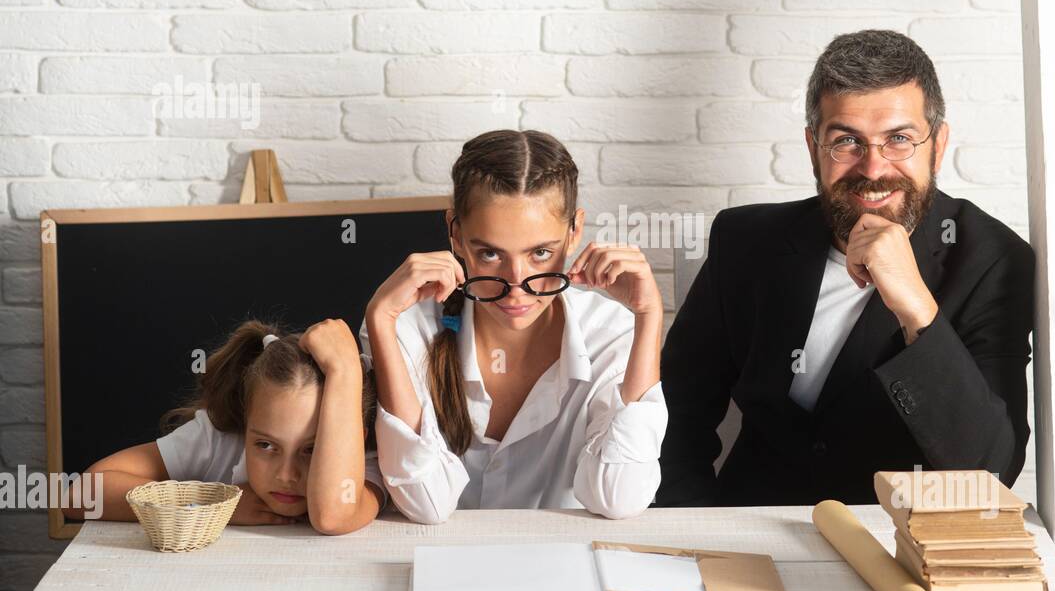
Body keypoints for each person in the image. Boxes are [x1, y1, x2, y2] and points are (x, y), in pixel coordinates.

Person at [657, 29, 1035, 506]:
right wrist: (692, 528)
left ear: (937, 145)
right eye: (846, 142)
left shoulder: (993, 260)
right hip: (751, 531)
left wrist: (917, 308)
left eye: (898, 139)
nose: (873, 168)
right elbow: (675, 416)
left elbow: (991, 468)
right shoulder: (744, 242)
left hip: (899, 546)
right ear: (814, 146)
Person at [361, 129, 666, 524]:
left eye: (540, 253)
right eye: (490, 254)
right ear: (455, 232)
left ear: (575, 231)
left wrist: (649, 316)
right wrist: (381, 320)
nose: (517, 285)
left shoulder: (611, 335)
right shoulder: (407, 328)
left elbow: (618, 497)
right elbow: (425, 503)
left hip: (560, 563)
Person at [65, 318, 386, 534]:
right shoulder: (219, 440)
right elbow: (79, 495)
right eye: (265, 446)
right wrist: (212, 505)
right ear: (245, 425)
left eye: (312, 450)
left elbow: (333, 517)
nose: (286, 475)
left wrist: (345, 371)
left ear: (354, 440)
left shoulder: (363, 467)